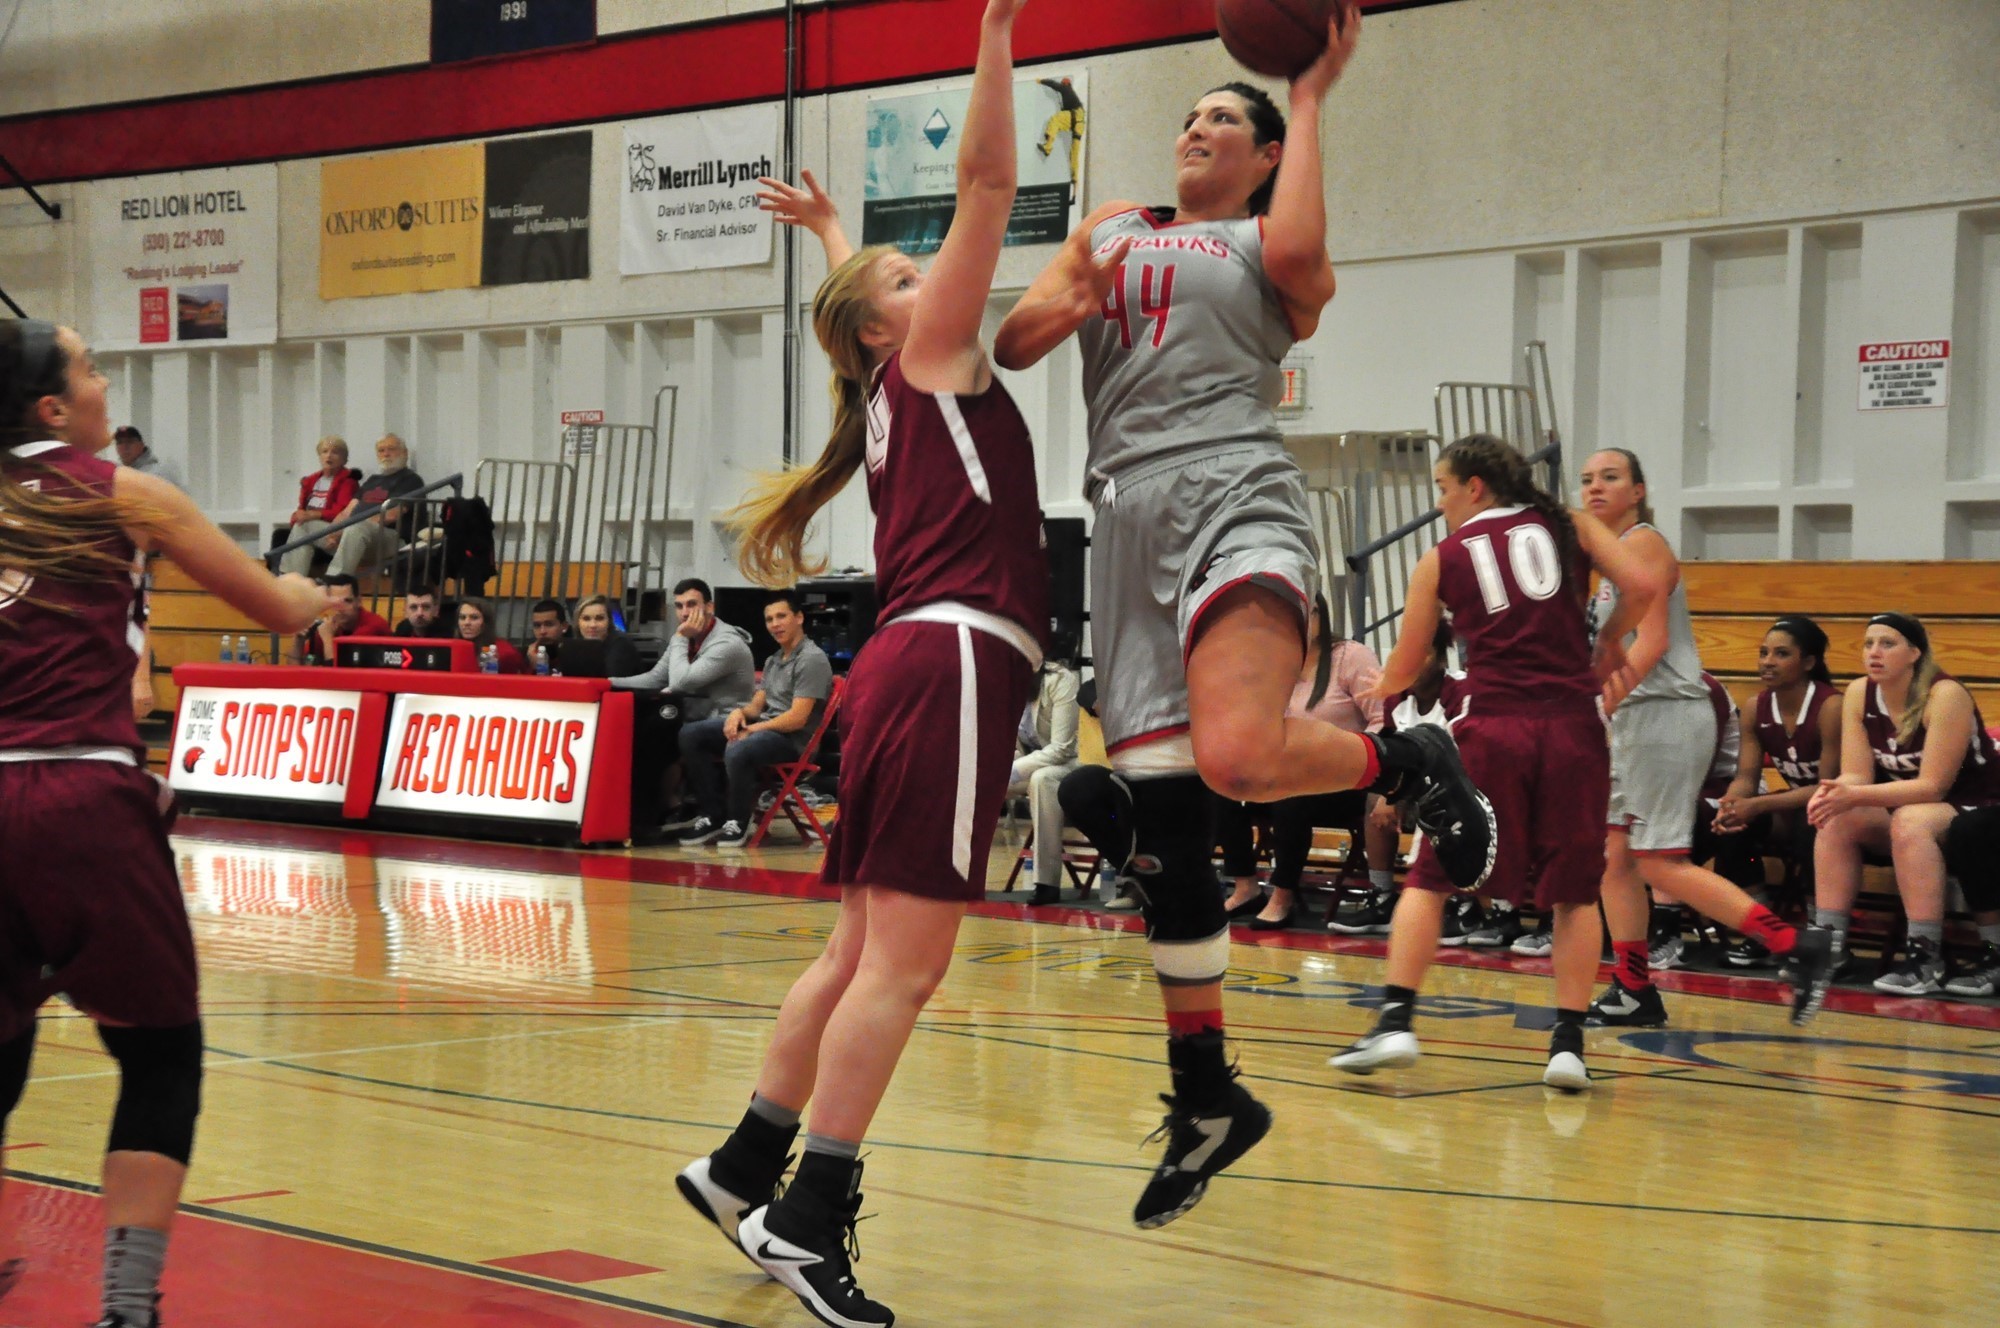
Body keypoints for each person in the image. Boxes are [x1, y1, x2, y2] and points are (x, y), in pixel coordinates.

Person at [994, 1, 1494, 1224]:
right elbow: (1014, 341)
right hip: (1121, 521)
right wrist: (1075, 285)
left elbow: (1307, 257)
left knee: (1238, 756)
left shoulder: (1262, 245)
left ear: (1263, 155)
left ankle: (1407, 759)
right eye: (1190, 115)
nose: (1197, 126)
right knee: (1170, 837)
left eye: (1224, 117)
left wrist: (1309, 96)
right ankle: (1206, 1093)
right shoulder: (1115, 228)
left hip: (1232, 487)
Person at [676, 9, 1046, 1322]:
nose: (928, 278)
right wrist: (995, 26)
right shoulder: (925, 356)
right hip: (953, 660)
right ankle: (804, 1216)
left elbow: (858, 312)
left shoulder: (888, 381)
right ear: (892, 326)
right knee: (905, 967)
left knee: (853, 953)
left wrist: (837, 234)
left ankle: (742, 1166)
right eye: (905, 275)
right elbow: (987, 181)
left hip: (905, 662)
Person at [0, 319, 328, 1328]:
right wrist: (312, 594)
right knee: (159, 1054)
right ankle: (127, 1307)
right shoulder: (125, 494)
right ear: (53, 406)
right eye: (91, 367)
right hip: (81, 798)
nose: (106, 382)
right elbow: (274, 607)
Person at [1329, 436, 1666, 1090]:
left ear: (1475, 487)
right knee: (1575, 891)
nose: (1440, 502)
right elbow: (1644, 585)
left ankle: (1395, 1021)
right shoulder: (1571, 524)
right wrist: (1605, 642)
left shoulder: (1442, 556)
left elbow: (1407, 662)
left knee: (1431, 877)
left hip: (1494, 727)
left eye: (1443, 488)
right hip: (1574, 728)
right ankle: (1568, 1047)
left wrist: (1383, 685)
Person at [1578, 449, 1835, 1028]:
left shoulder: (1644, 543)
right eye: (1587, 479)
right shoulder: (1608, 565)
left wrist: (1603, 701)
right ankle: (1633, 986)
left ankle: (1794, 943)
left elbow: (1654, 642)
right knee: (1615, 858)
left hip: (1664, 714)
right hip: (1635, 717)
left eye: (1610, 477)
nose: (1595, 487)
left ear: (1638, 491)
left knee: (1659, 863)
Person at [1809, 613, 2000, 994]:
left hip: (1980, 803)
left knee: (1911, 821)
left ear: (1914, 653)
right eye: (1868, 644)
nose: (1874, 652)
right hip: (1918, 806)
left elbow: (1933, 787)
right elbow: (1856, 775)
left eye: (1887, 643)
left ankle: (1924, 957)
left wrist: (1854, 795)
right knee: (1836, 818)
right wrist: (1833, 791)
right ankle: (1829, 948)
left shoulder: (1944, 694)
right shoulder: (1859, 693)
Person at [1218, 598, 1385, 930]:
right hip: (1289, 775)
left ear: (1321, 615)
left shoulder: (1351, 657)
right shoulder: (1276, 665)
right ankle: (1246, 886)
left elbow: (1382, 720)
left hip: (1345, 779)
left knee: (1291, 793)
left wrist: (1350, 754)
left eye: (1305, 613)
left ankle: (1283, 896)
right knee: (1220, 786)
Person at [1708, 617, 1841, 968]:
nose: (1767, 661)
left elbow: (1828, 787)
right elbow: (1746, 776)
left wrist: (1757, 805)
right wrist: (1733, 804)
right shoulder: (1756, 706)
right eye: (1763, 653)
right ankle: (1765, 931)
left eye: (1781, 654)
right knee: (1734, 830)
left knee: (1813, 827)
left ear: (1808, 662)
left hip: (1840, 807)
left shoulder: (1831, 706)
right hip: (1796, 804)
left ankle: (1821, 937)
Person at [676, 591, 834, 849]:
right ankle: (713, 813)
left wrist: (752, 729)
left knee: (740, 746)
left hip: (793, 741)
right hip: (766, 731)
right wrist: (739, 714)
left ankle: (738, 820)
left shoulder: (811, 659)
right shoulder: (773, 660)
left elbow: (797, 719)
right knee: (692, 735)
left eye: (781, 616)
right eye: (770, 619)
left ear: (799, 618)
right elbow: (756, 706)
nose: (775, 624)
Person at [610, 578, 756, 721]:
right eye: (679, 606)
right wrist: (607, 683)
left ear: (710, 607)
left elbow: (679, 684)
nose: (684, 613)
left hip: (726, 721)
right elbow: (655, 679)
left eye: (691, 604)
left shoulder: (727, 643)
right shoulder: (684, 636)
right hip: (694, 717)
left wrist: (681, 637)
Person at [1010, 636, 1083, 906]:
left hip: (1073, 763)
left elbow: (1062, 749)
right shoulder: (1003, 685)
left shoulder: (1061, 680)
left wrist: (1011, 771)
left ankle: (1047, 883)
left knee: (1043, 780)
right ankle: (962, 877)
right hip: (1030, 763)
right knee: (975, 782)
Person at [324, 434, 425, 578]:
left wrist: (346, 530)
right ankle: (293, 582)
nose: (386, 454)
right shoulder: (372, 480)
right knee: (306, 527)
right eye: (381, 450)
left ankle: (335, 581)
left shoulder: (411, 480)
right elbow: (347, 512)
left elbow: (392, 514)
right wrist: (333, 533)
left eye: (391, 449)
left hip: (391, 540)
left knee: (356, 528)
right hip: (354, 535)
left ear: (404, 453)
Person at [277, 436, 358, 575]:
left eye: (335, 452)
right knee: (280, 534)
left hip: (334, 531)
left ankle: (289, 578)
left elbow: (343, 511)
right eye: (325, 451)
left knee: (304, 528)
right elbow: (301, 508)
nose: (329, 456)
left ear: (344, 459)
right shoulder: (311, 480)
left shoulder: (348, 481)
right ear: (319, 456)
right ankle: (285, 578)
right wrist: (298, 516)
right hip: (311, 529)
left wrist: (315, 515)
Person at [297, 572, 390, 665]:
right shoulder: (331, 626)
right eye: (335, 602)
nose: (341, 608)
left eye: (347, 601)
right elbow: (297, 667)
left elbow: (339, 672)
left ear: (359, 601)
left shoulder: (372, 626)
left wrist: (327, 639)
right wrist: (299, 640)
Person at [572, 594, 643, 675]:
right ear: (578, 622)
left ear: (609, 621)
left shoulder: (621, 644)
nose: (593, 625)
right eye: (586, 619)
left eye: (599, 618)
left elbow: (610, 679)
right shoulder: (576, 644)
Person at [456, 596, 524, 674]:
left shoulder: (505, 653)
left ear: (486, 622)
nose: (466, 623)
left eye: (474, 618)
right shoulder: (453, 650)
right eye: (462, 617)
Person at [111, 425, 183, 491]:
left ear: (141, 445)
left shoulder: (159, 473)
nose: (124, 447)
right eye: (120, 442)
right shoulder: (116, 475)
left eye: (130, 441)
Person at [526, 598, 569, 673]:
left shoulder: (575, 655)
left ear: (564, 626)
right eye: (537, 625)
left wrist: (541, 668)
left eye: (549, 624)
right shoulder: (527, 655)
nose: (542, 631)